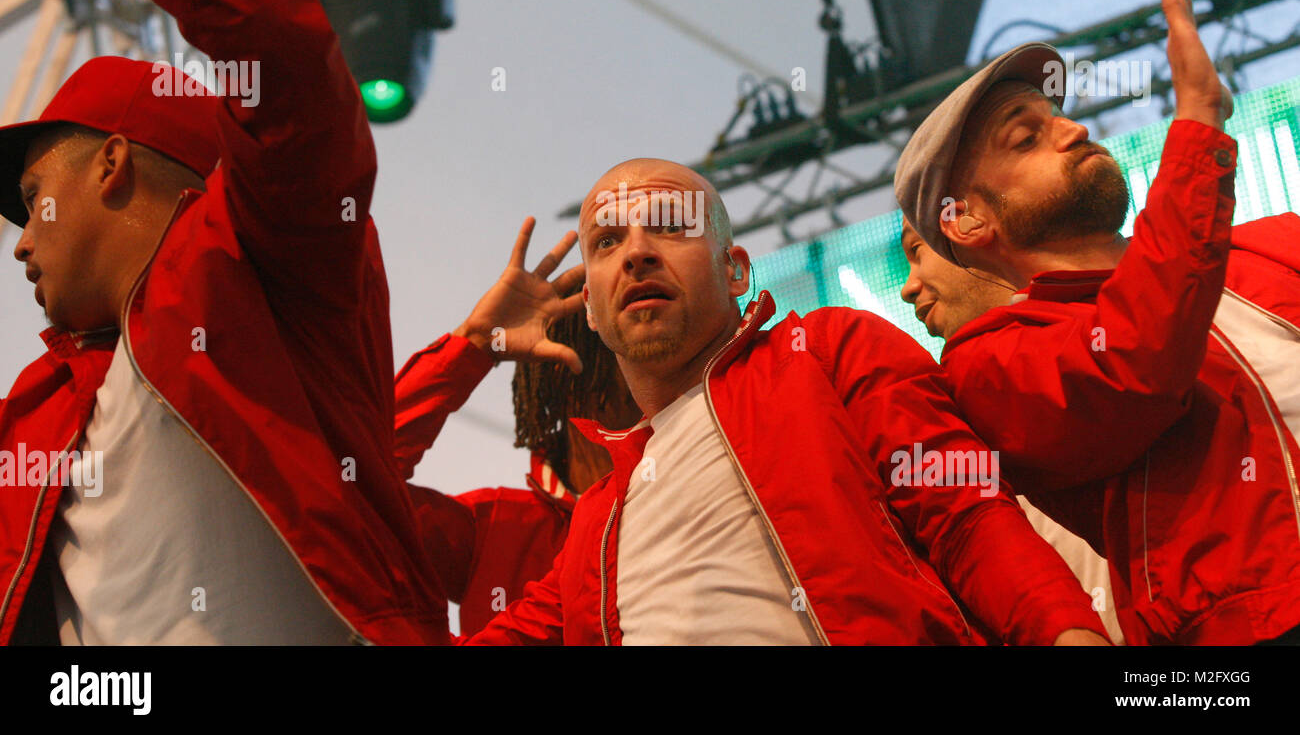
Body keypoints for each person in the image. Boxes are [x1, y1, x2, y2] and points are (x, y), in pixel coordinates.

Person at [0, 0, 445, 644]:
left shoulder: (269, 269)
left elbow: (286, 60)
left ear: (113, 162)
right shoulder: (31, 417)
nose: (20, 240)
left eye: (32, 198)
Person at [464, 158, 1111, 644]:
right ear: (592, 313)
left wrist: (1065, 633)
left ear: (735, 270)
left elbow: (964, 515)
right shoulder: (598, 527)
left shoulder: (826, 350)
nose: (636, 252)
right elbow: (366, 543)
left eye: (669, 228)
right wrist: (466, 352)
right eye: (607, 242)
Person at [894, 0, 1300, 645]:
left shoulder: (1262, 247)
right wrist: (1198, 121)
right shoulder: (990, 364)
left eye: (1058, 117)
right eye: (1026, 136)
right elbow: (1138, 362)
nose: (1074, 129)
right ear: (969, 221)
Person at [392, 218, 640, 635]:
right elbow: (344, 486)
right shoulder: (492, 526)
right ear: (565, 372)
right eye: (623, 346)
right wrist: (471, 345)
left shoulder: (708, 502)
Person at [899, 218, 1123, 644]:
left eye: (916, 250)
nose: (908, 287)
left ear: (974, 227)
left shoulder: (1126, 329)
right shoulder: (942, 429)